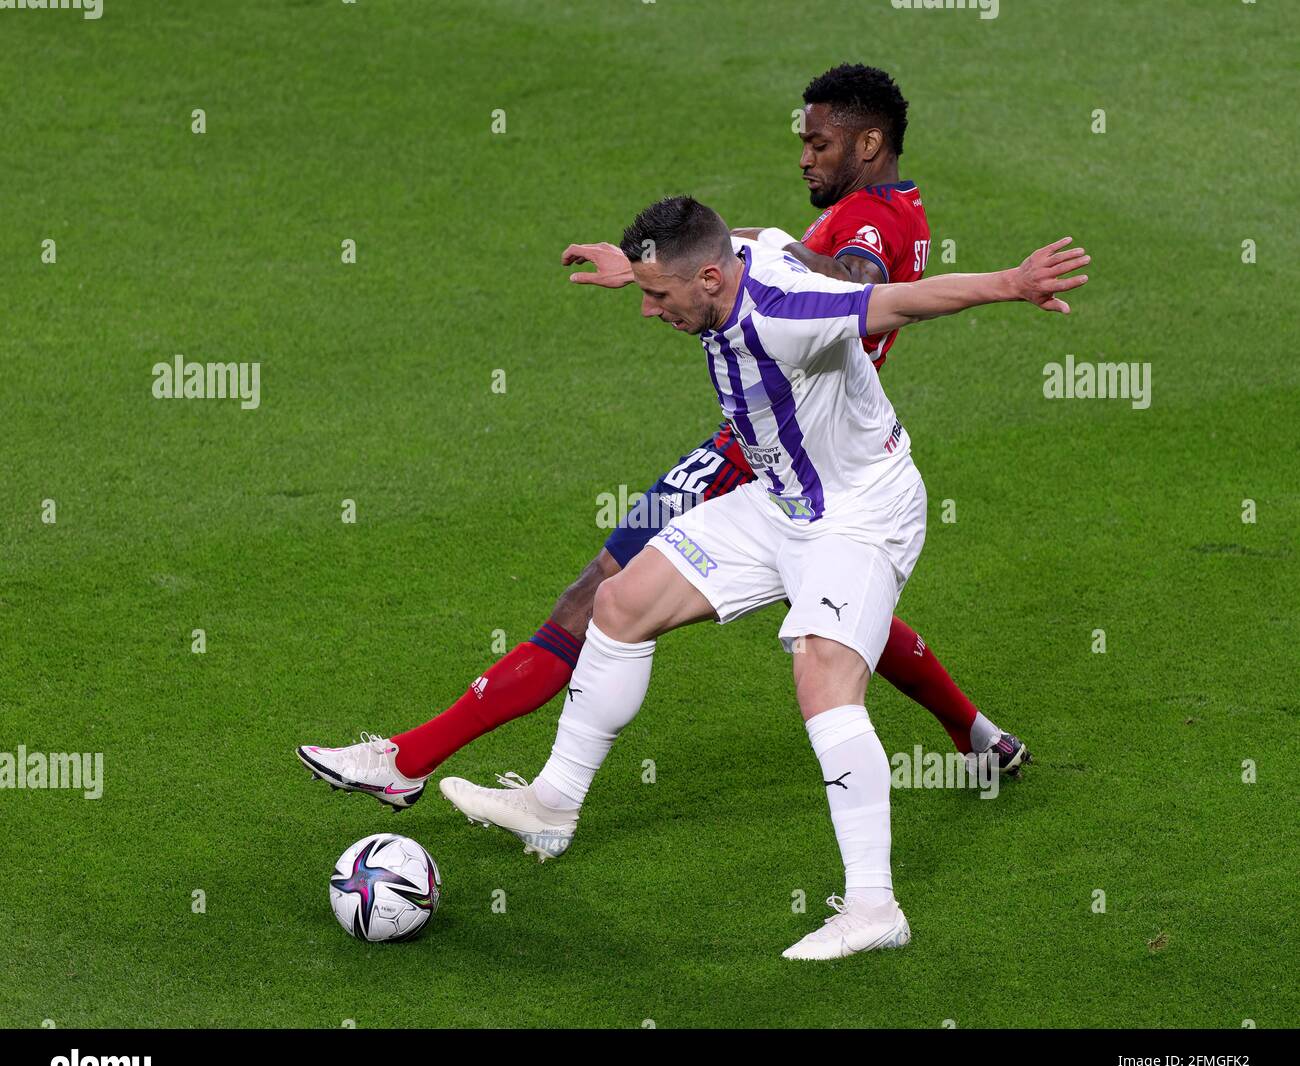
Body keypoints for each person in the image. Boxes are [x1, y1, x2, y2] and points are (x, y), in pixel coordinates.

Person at [296, 66, 1029, 814]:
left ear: (868, 142)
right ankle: (975, 732)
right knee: (839, 609)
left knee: (595, 597)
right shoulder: (898, 205)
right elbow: (759, 252)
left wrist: (748, 255)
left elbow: (851, 283)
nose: (804, 156)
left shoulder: (872, 223)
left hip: (753, 458)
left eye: (819, 142)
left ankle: (409, 759)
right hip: (796, 450)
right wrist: (669, 258)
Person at [436, 197, 1087, 958]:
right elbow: (744, 232)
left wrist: (1011, 282)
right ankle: (553, 801)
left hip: (861, 513)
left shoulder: (788, 313)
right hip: (781, 504)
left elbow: (895, 301)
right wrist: (634, 264)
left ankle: (876, 907)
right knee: (619, 603)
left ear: (710, 279)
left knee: (820, 675)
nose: (650, 313)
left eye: (658, 296)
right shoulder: (734, 260)